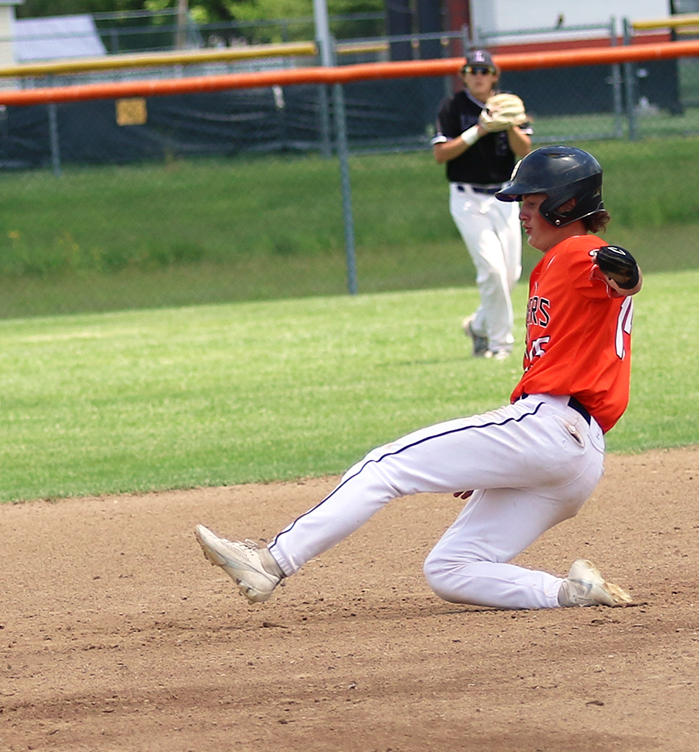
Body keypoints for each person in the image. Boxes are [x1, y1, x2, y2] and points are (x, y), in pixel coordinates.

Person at [196, 146, 641, 612]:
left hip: (549, 426)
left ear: (565, 204)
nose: (522, 214)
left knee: (384, 467)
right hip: (577, 459)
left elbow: (617, 272)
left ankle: (269, 562)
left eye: (531, 202)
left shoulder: (578, 251)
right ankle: (570, 593)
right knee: (451, 568)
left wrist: (623, 268)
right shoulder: (557, 262)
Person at [433, 49, 533, 360]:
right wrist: (479, 129)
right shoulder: (453, 106)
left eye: (484, 70)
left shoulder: (507, 105)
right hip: (467, 198)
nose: (478, 75)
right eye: (472, 70)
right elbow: (441, 154)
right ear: (463, 76)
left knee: (510, 275)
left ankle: (478, 325)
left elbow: (525, 148)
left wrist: (508, 125)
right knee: (491, 270)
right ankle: (500, 344)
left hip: (504, 195)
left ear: (494, 76)